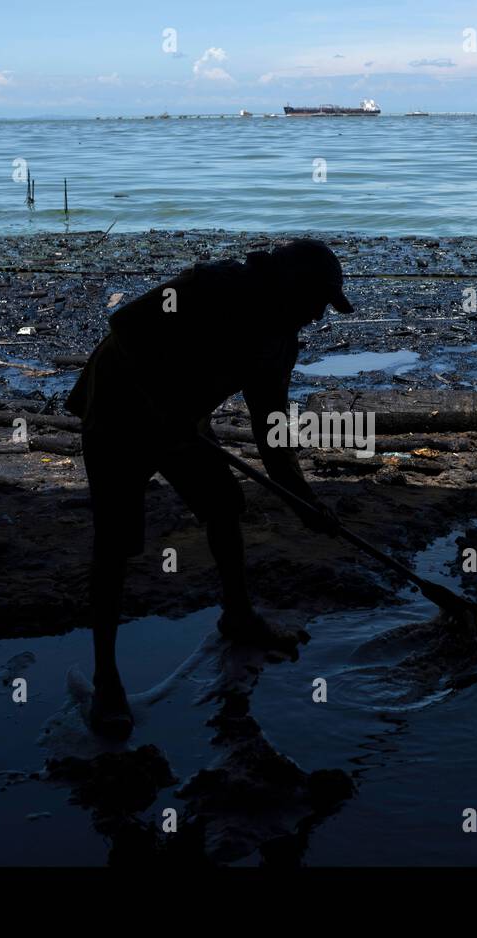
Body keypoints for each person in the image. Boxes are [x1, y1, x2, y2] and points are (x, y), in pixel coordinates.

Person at [64, 239, 354, 737]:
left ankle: (238, 617)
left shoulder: (280, 340)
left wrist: (303, 499)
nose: (316, 315)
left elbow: (271, 429)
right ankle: (107, 679)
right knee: (116, 543)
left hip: (182, 420)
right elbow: (126, 324)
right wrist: (160, 403)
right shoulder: (214, 285)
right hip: (117, 410)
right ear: (288, 285)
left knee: (224, 503)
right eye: (315, 302)